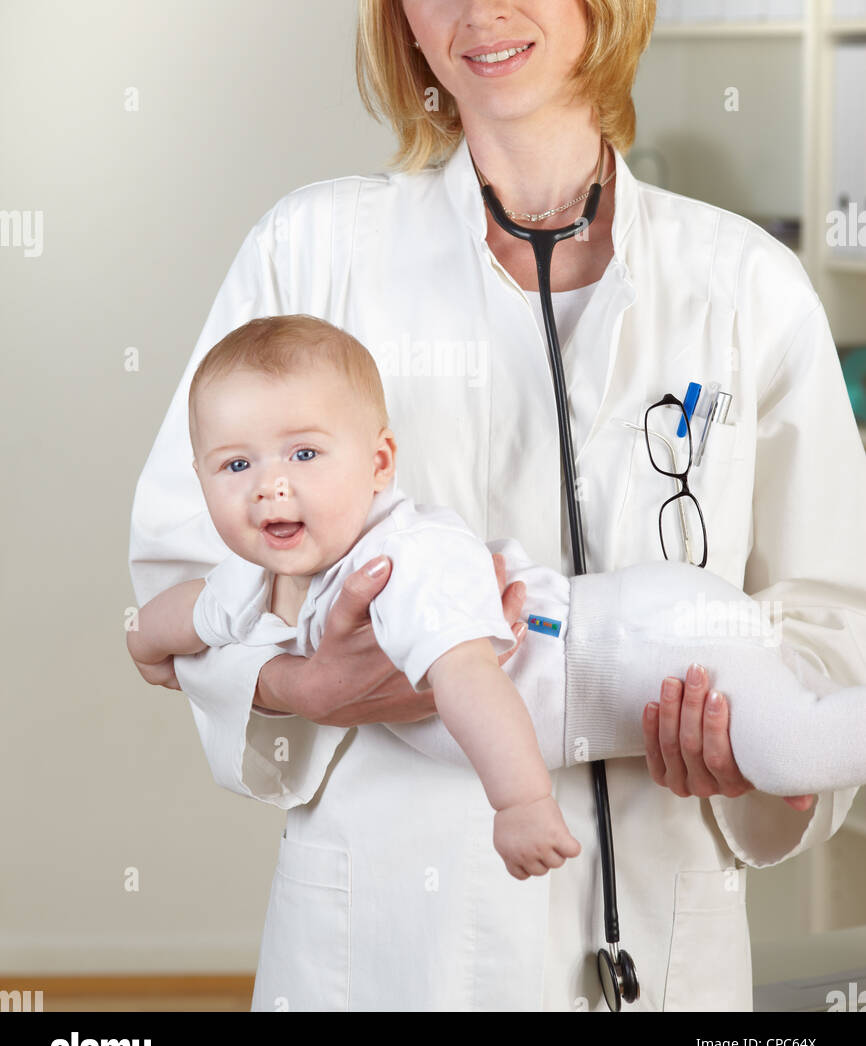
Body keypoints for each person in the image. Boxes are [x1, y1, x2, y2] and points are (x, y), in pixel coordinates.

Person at [128, 0, 866, 1012]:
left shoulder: (745, 282)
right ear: (402, 20)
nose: (481, 7)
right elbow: (173, 582)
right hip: (384, 937)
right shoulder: (310, 251)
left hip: (660, 922)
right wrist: (307, 685)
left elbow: (836, 618)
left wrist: (747, 759)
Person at [130, 309, 866, 821]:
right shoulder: (263, 577)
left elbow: (470, 679)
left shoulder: (403, 559)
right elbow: (194, 604)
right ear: (201, 479)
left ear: (379, 461)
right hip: (634, 639)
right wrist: (149, 642)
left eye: (304, 453)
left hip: (649, 638)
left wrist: (521, 803)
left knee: (793, 749)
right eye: (235, 464)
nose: (270, 484)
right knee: (793, 737)